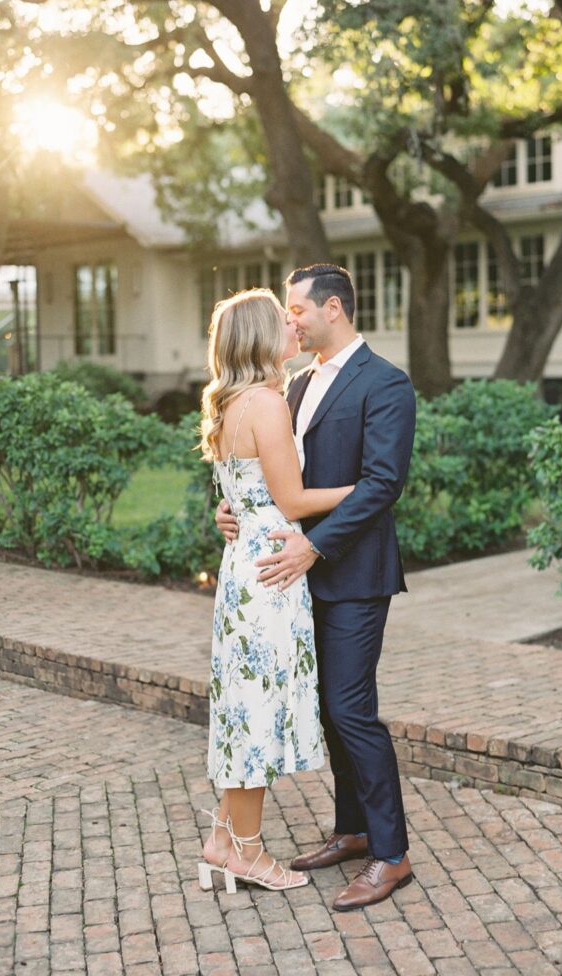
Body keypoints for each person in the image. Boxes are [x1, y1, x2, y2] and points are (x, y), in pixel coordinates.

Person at [216, 263, 416, 911]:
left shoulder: (386, 383)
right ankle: (352, 829)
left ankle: (391, 854)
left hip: (353, 572)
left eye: (297, 309)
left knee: (352, 708)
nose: (290, 320)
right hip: (293, 581)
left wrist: (317, 543)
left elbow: (383, 483)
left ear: (333, 308)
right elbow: (275, 483)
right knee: (329, 708)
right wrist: (236, 513)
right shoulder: (292, 386)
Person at [198, 288, 355, 894]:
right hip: (272, 574)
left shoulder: (232, 402)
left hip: (245, 569)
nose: (294, 325)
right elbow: (291, 501)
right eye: (282, 319)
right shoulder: (266, 403)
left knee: (242, 711)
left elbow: (243, 490)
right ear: (264, 337)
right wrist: (363, 489)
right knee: (257, 715)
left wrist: (230, 510)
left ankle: (222, 838)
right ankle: (249, 853)